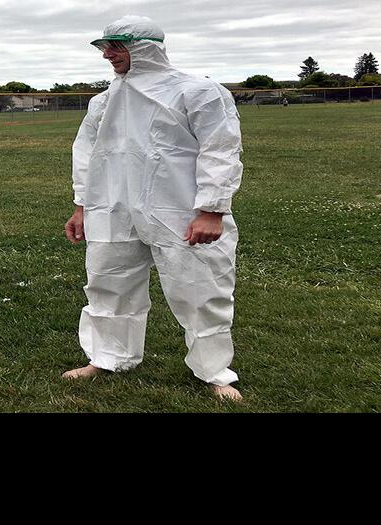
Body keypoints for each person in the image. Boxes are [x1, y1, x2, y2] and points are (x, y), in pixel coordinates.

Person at [63, 16, 245, 401]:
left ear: (146, 47)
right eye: (104, 47)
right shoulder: (104, 101)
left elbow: (220, 149)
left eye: (116, 45)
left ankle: (214, 371)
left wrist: (212, 208)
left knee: (200, 286)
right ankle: (109, 355)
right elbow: (87, 153)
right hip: (112, 208)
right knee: (108, 283)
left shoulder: (198, 92)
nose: (108, 54)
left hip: (180, 210)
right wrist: (82, 205)